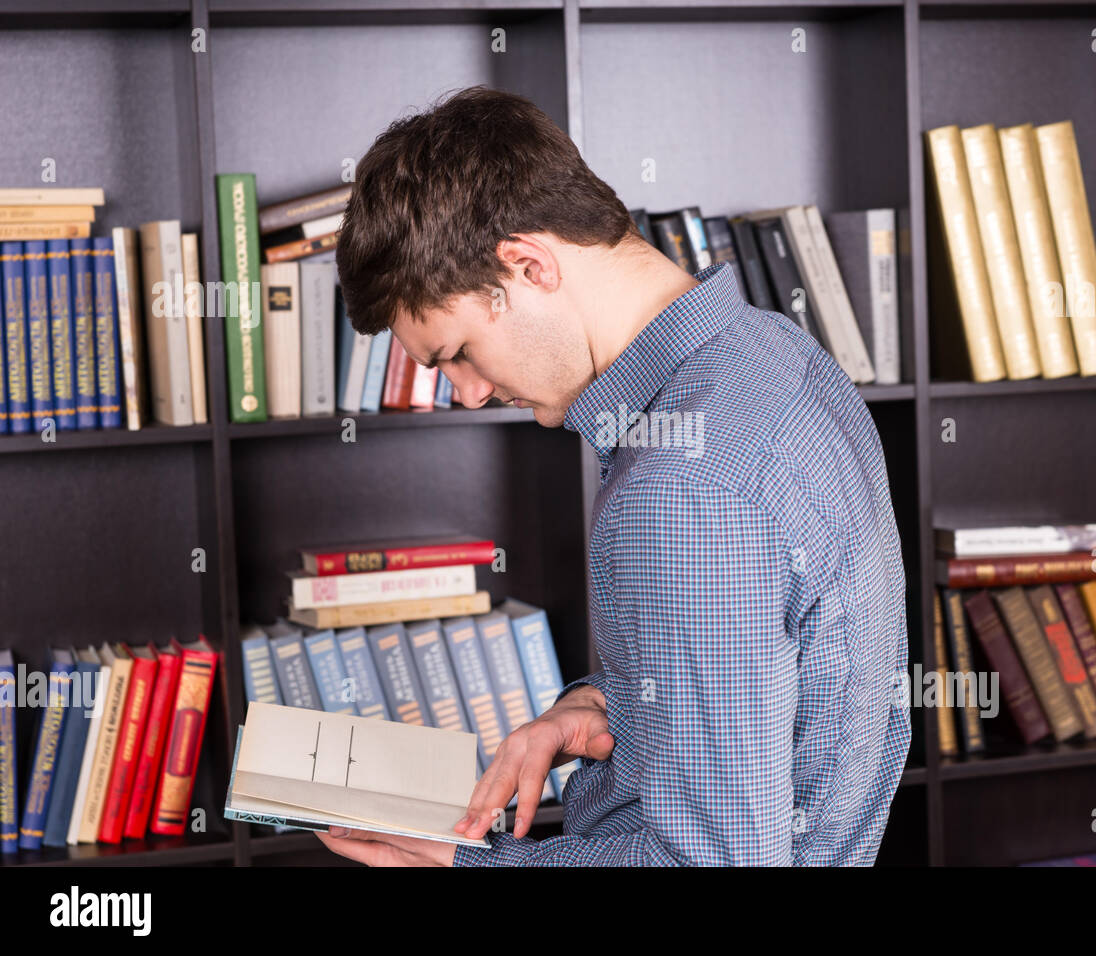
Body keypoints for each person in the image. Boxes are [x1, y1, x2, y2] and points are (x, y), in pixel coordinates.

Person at [318, 86, 910, 866]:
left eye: (456, 353)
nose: (467, 392)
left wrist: (466, 863)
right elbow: (775, 674)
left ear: (528, 265)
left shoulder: (680, 491)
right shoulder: (781, 355)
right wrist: (595, 709)